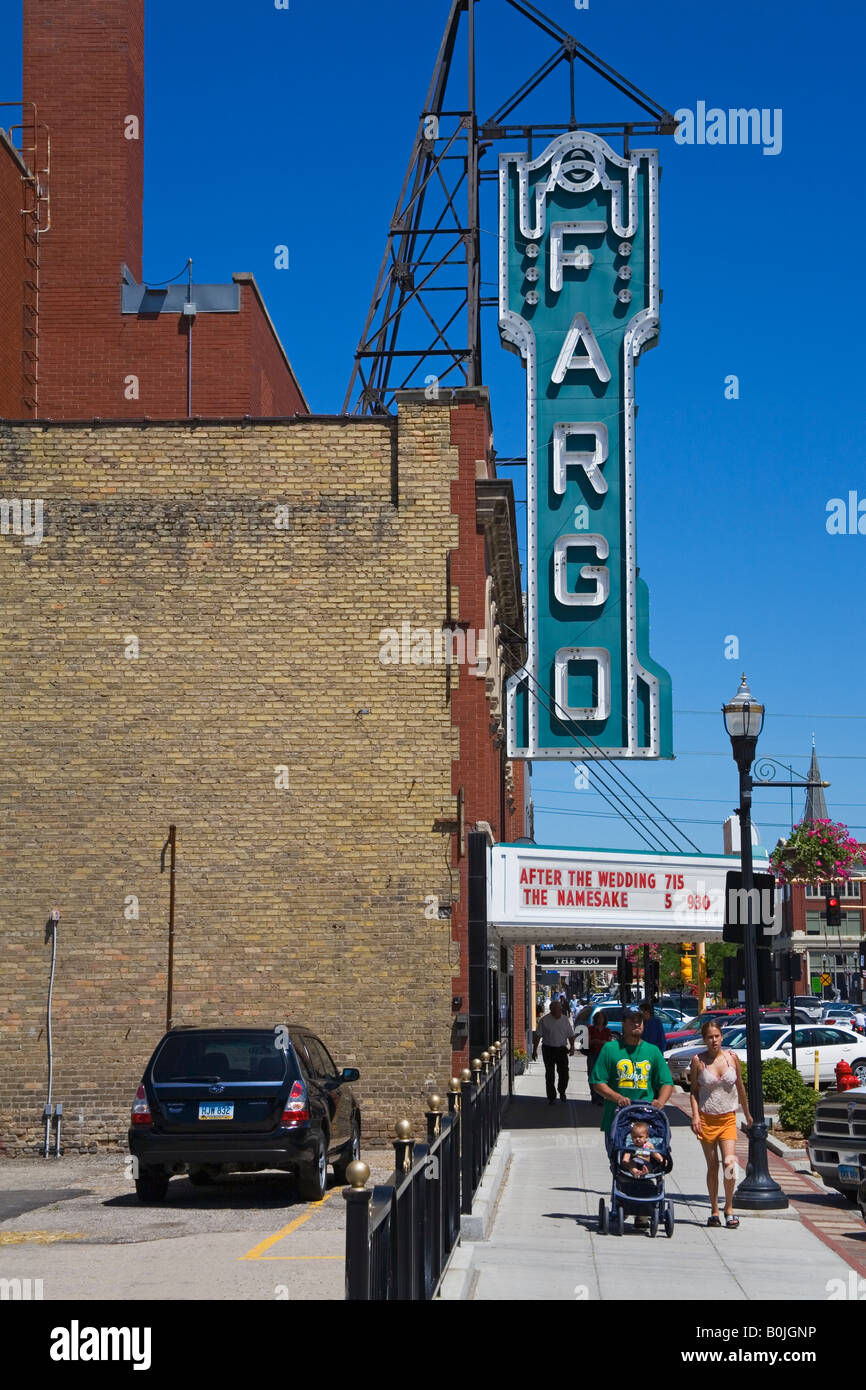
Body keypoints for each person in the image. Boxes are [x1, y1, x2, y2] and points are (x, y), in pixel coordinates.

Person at [591, 1004, 673, 1222]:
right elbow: (597, 1081)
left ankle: (643, 1208)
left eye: (640, 1020)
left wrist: (660, 1101)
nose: (637, 1023)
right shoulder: (611, 1049)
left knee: (648, 1162)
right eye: (632, 1020)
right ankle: (625, 1204)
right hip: (617, 1120)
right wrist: (617, 1097)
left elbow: (666, 1083)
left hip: (646, 1121)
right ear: (624, 1024)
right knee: (620, 1164)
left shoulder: (652, 1052)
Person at [688, 1020, 752, 1229]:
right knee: (713, 1166)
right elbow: (694, 1092)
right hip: (707, 1119)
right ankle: (714, 1210)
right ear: (704, 1039)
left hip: (728, 1118)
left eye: (716, 1036)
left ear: (721, 1037)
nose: (713, 1040)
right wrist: (695, 1116)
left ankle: (729, 1208)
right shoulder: (698, 1061)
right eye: (709, 1037)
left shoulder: (732, 1058)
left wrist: (747, 1114)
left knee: (730, 1164)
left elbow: (740, 1087)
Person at [532, 997, 575, 1105]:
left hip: (561, 1049)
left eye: (560, 1009)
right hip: (548, 1049)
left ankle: (562, 1091)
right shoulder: (544, 1020)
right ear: (551, 1010)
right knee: (550, 1074)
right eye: (556, 1009)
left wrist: (572, 1046)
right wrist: (534, 1050)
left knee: (564, 1073)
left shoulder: (565, 1020)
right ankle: (551, 1096)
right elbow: (538, 1036)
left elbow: (570, 1035)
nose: (559, 1011)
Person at [585, 1010, 614, 1107]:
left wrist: (604, 1043)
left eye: (602, 1018)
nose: (600, 1020)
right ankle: (594, 1097)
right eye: (598, 1018)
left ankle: (600, 1098)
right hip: (592, 1054)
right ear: (595, 1019)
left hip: (603, 1056)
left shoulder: (607, 1031)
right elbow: (587, 1043)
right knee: (592, 1076)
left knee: (602, 1077)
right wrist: (594, 1041)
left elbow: (609, 1044)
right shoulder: (591, 1029)